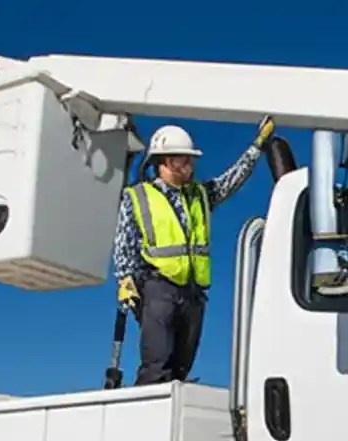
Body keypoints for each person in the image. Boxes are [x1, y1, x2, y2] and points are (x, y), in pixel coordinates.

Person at [112, 117, 276, 385]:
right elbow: (125, 242)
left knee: (181, 367)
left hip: (193, 293)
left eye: (189, 160)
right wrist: (126, 280)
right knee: (157, 363)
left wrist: (257, 147)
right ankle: (147, 415)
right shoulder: (138, 197)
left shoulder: (200, 194)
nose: (188, 166)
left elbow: (231, 180)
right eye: (180, 160)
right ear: (162, 162)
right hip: (157, 289)